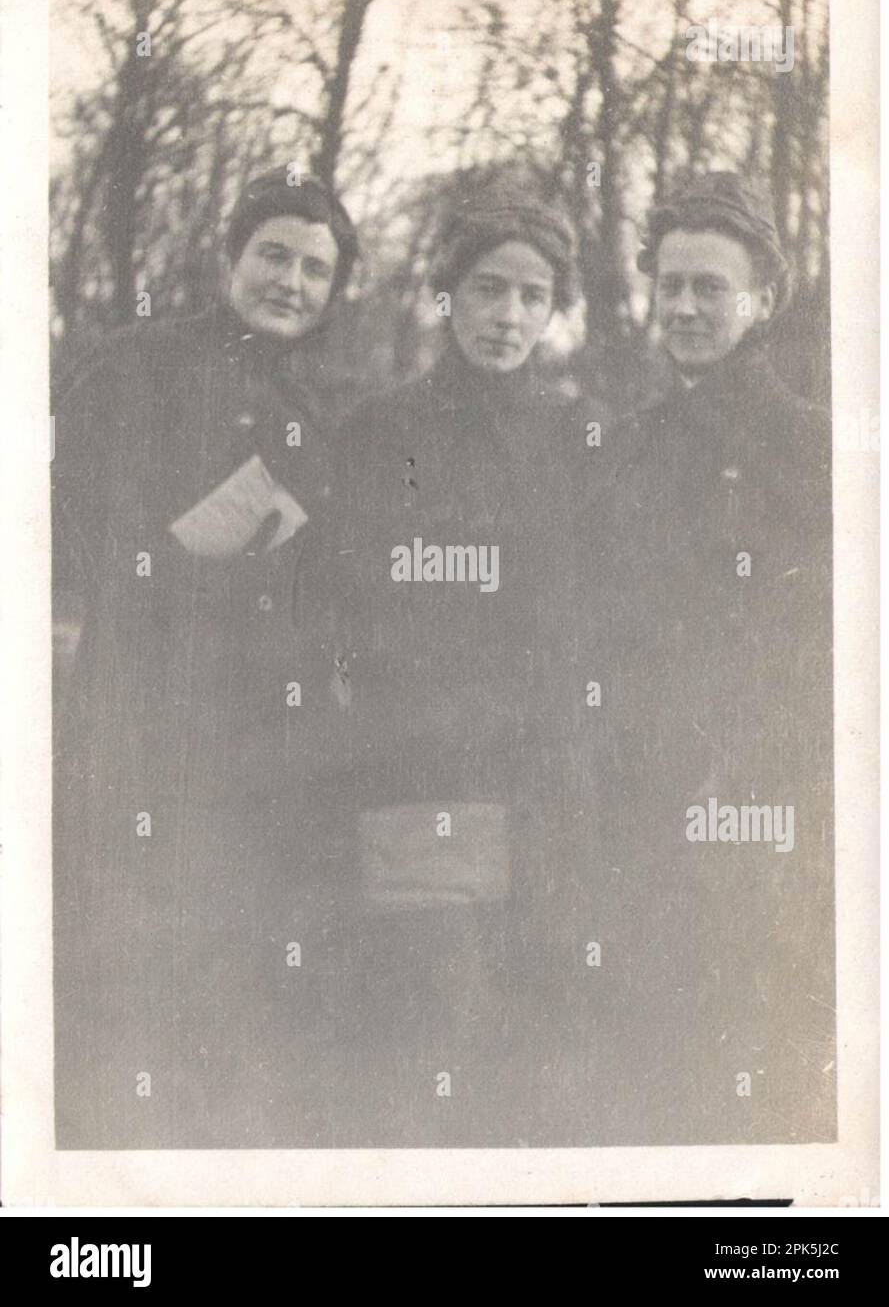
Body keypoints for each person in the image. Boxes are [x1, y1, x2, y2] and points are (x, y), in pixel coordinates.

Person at [295, 172, 614, 1144]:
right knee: (431, 1036)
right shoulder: (378, 433)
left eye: (531, 296)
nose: (507, 315)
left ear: (553, 312)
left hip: (545, 786)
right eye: (487, 289)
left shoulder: (577, 437)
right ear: (447, 296)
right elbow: (331, 609)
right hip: (418, 780)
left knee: (535, 1038)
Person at [53, 168, 360, 1146]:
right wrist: (203, 567)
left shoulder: (315, 406)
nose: (291, 282)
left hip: (260, 748)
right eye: (274, 254)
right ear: (229, 256)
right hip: (142, 725)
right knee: (126, 974)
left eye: (316, 269)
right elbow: (69, 542)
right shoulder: (130, 367)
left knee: (234, 983)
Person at [587, 172, 834, 1143]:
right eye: (671, 284)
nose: (685, 306)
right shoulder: (628, 448)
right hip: (636, 828)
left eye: (711, 287)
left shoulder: (815, 451)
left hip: (766, 837)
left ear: (763, 300)